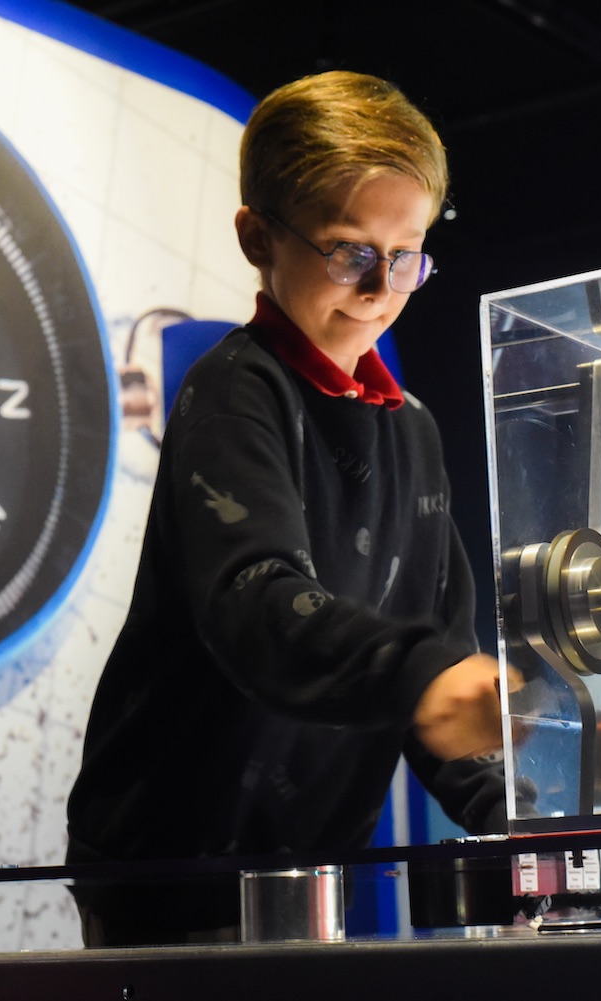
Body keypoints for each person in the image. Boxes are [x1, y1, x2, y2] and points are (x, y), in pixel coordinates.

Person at [65, 69, 507, 946]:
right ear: (257, 237)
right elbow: (258, 603)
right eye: (351, 251)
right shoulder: (234, 390)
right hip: (170, 865)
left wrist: (529, 809)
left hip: (307, 871)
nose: (383, 285)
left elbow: (437, 663)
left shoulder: (410, 428)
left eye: (408, 254)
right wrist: (424, 673)